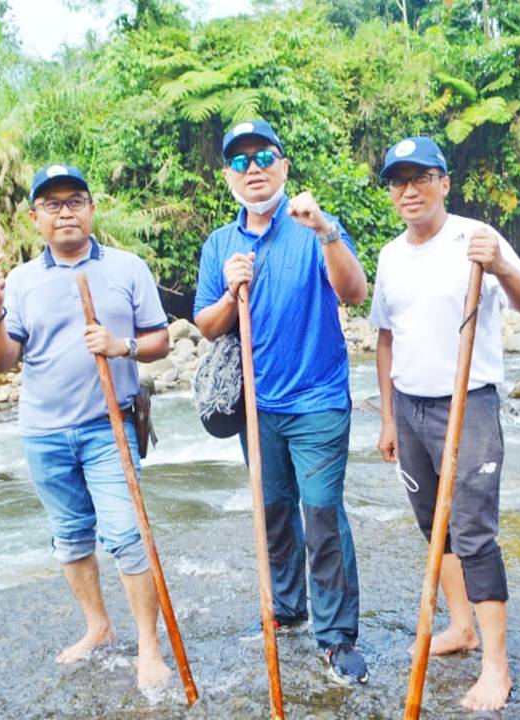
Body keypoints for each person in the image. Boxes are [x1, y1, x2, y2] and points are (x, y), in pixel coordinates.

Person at [0, 164, 173, 689]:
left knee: (128, 536)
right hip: (44, 431)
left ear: (91, 209)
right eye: (53, 204)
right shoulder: (20, 281)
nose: (65, 211)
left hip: (111, 425)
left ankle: (149, 646)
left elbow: (160, 341)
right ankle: (98, 628)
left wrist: (120, 345)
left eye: (75, 201)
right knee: (69, 537)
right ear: (36, 216)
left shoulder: (127, 267)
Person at [370, 137, 520, 711]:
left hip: (468, 402)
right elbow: (386, 337)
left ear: (444, 183)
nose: (410, 190)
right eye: (399, 181)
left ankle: (497, 667)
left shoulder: (476, 239)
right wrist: (389, 417)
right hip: (411, 406)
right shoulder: (391, 255)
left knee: (472, 530)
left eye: (422, 177)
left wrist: (497, 264)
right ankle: (461, 626)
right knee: (434, 525)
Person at [193, 120, 370, 685]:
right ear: (228, 176)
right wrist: (229, 289)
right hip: (257, 406)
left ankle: (338, 637)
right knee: (272, 512)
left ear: (284, 166)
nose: (253, 169)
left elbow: (354, 292)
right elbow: (206, 324)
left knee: (320, 513)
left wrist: (325, 230)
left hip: (317, 399)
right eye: (240, 162)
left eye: (264, 156)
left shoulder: (312, 227)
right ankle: (287, 609)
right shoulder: (221, 244)